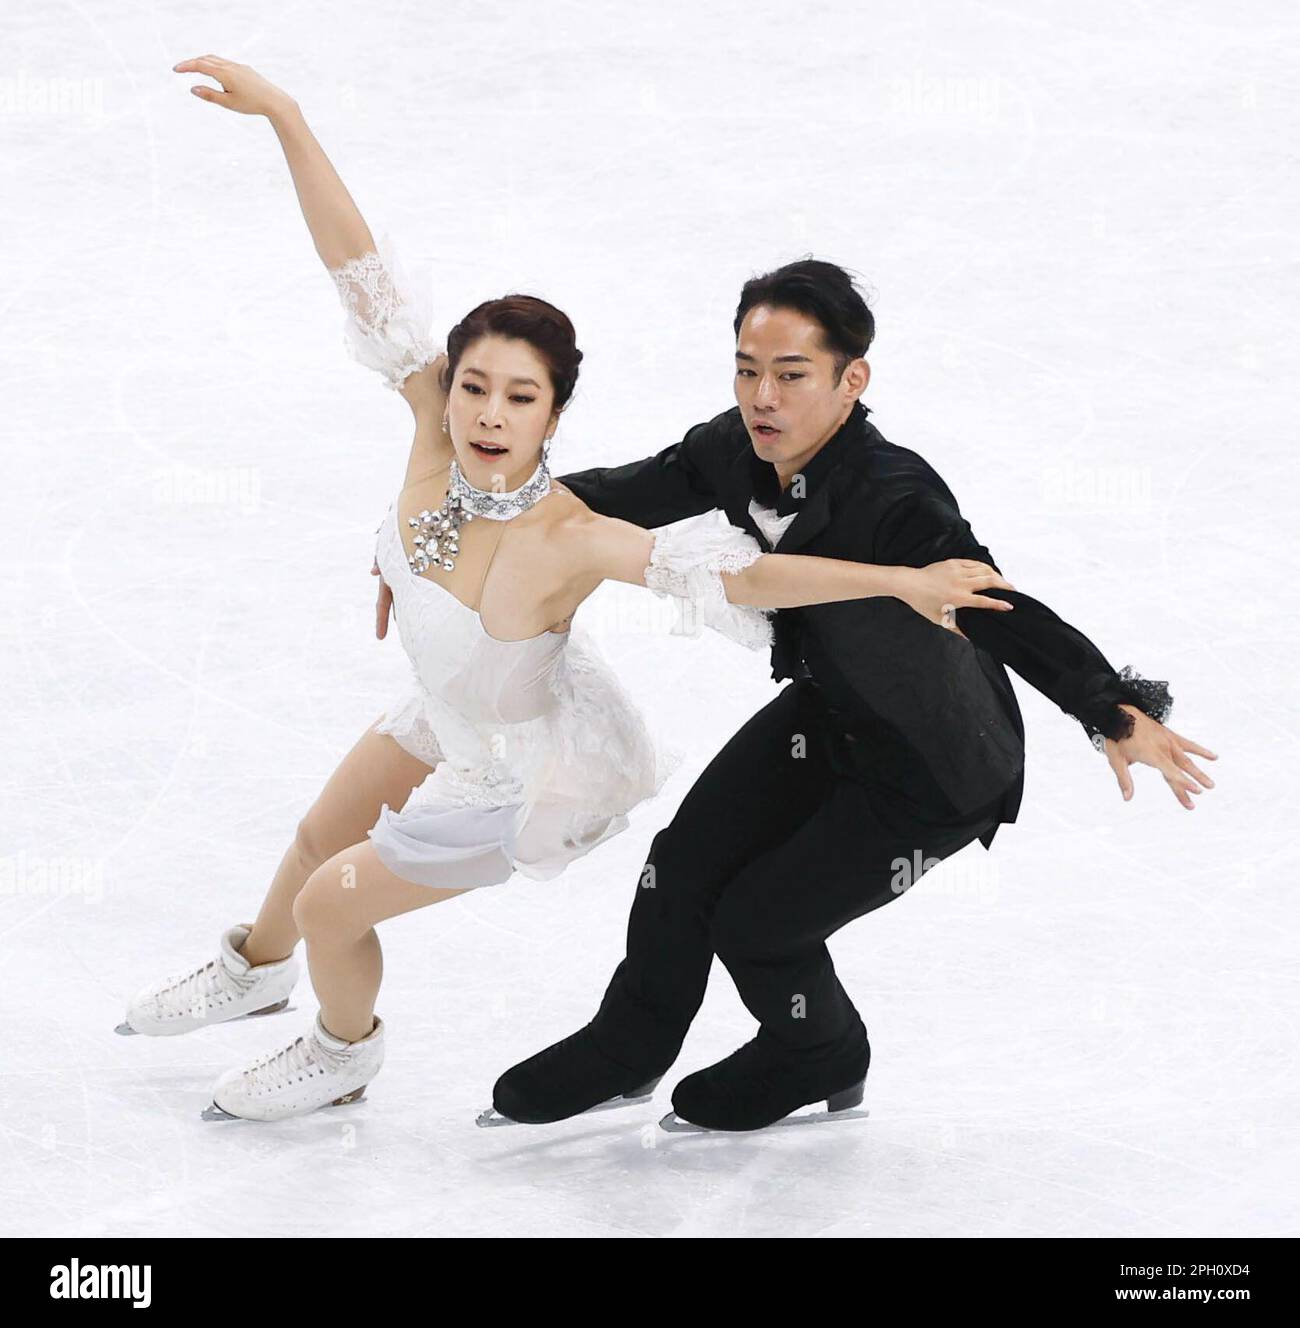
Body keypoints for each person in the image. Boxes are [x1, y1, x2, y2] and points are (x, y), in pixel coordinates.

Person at [115, 56, 1015, 1124]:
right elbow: (358, 268)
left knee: (331, 900)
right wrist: (288, 119)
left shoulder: (570, 536)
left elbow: (740, 571)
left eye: (520, 397)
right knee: (314, 836)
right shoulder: (429, 432)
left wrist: (897, 579)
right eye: (475, 387)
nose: (488, 415)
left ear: (553, 417)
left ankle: (341, 1047)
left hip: (515, 768)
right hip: (450, 708)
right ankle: (258, 967)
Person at [487, 258, 1220, 1134]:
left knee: (759, 924)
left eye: (792, 375)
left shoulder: (895, 495)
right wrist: (481, 512)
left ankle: (820, 1051)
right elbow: (620, 496)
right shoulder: (732, 449)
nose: (764, 396)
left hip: (937, 765)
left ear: (850, 380)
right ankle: (631, 1044)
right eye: (748, 369)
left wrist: (1110, 707)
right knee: (678, 868)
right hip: (831, 715)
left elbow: (997, 607)